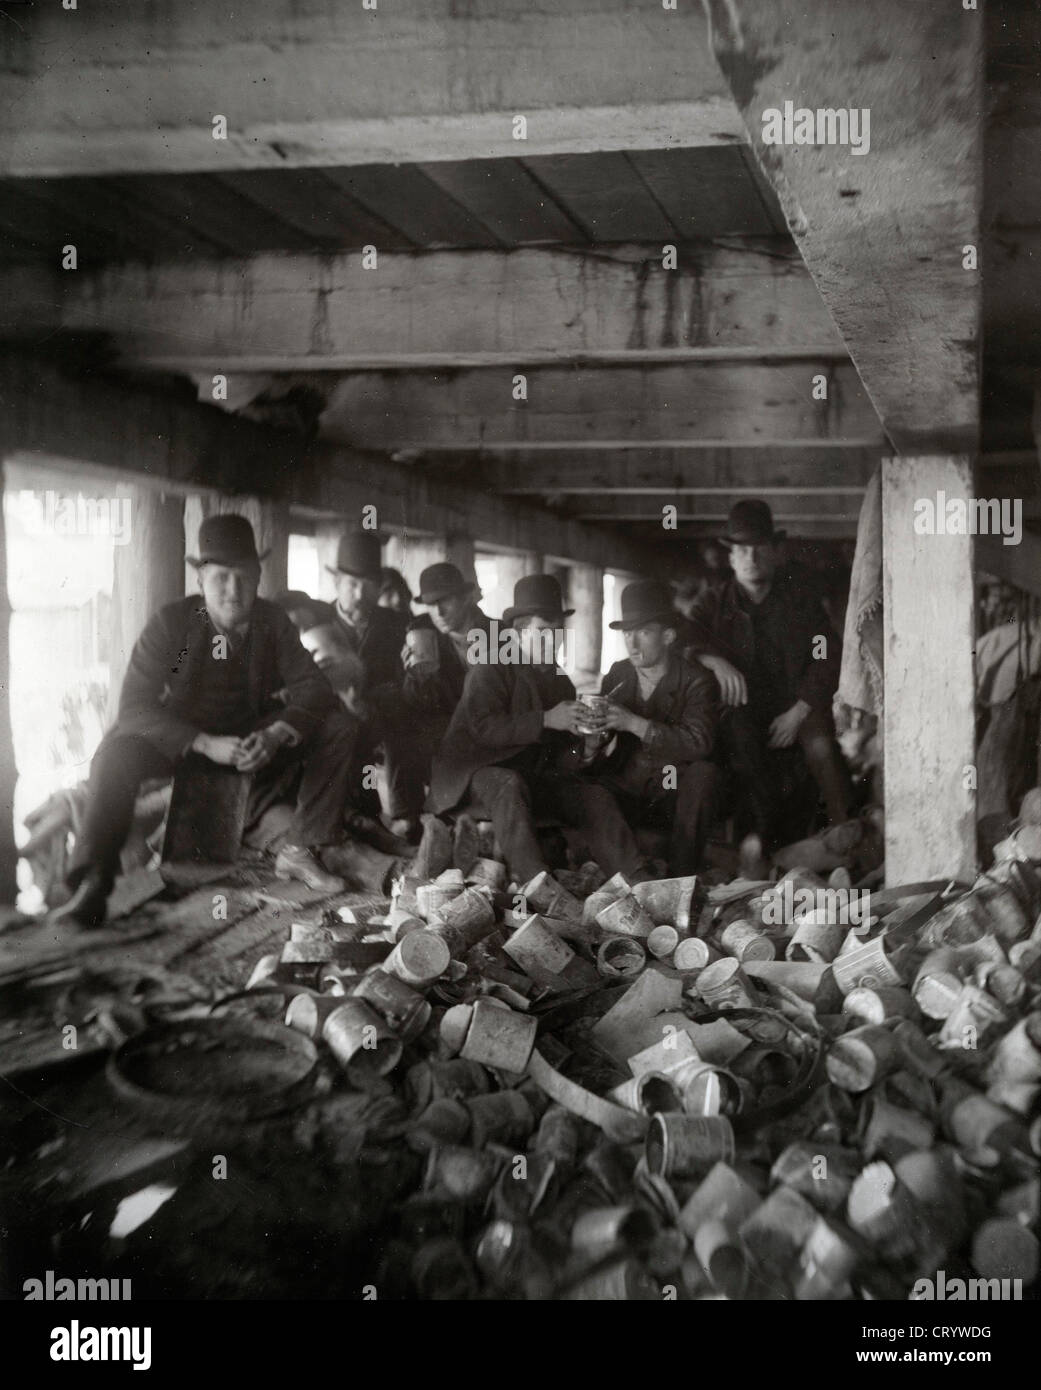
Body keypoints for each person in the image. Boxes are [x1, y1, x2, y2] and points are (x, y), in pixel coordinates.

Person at [53, 515, 352, 927]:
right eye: (221, 578)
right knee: (116, 752)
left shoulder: (272, 623)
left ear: (258, 575)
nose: (234, 590)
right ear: (200, 579)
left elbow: (314, 688)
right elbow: (134, 707)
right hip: (182, 745)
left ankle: (300, 848)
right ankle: (93, 882)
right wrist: (203, 743)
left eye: (244, 577)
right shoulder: (170, 624)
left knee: (337, 723)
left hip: (251, 743)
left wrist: (274, 735)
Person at [427, 574, 651, 885]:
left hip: (524, 779)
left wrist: (586, 748)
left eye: (559, 631)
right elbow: (482, 728)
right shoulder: (491, 667)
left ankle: (638, 880)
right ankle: (539, 886)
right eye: (544, 632)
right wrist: (545, 719)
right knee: (508, 783)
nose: (554, 640)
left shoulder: (560, 682)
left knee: (592, 794)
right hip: (471, 776)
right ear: (519, 634)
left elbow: (559, 758)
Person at [684, 499, 853, 852]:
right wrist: (713, 659)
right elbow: (683, 637)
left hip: (798, 708)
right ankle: (764, 849)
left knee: (822, 748)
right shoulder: (713, 604)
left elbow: (829, 655)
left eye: (760, 549)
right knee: (743, 753)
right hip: (744, 712)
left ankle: (849, 838)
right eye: (742, 551)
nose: (752, 559)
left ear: (776, 551)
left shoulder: (802, 601)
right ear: (730, 557)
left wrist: (801, 709)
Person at [588, 580, 721, 876]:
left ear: (668, 636)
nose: (632, 644)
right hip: (630, 787)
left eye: (644, 632)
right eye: (627, 634)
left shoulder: (696, 680)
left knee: (704, 774)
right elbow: (603, 740)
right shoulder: (618, 673)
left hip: (672, 791)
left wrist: (635, 723)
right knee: (588, 790)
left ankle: (680, 878)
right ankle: (632, 875)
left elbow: (700, 742)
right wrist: (592, 738)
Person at [326, 531, 423, 841]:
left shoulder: (394, 624)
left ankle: (406, 818)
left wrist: (411, 675)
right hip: (331, 713)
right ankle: (350, 819)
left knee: (405, 725)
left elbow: (399, 682)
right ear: (336, 582)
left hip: (379, 710)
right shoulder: (319, 622)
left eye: (368, 586)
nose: (359, 594)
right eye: (351, 585)